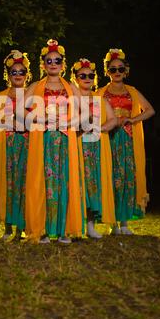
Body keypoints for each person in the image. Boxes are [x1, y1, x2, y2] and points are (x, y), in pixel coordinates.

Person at [24, 39, 85, 244]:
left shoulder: (71, 87)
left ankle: (62, 230)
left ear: (62, 64)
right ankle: (42, 230)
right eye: (48, 61)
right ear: (43, 64)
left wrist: (67, 122)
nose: (52, 63)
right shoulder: (35, 86)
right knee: (43, 180)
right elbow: (21, 111)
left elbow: (84, 111)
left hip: (64, 139)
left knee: (63, 181)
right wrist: (41, 119)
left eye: (57, 60)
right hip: (43, 138)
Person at [97, 48, 155, 234]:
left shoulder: (132, 91)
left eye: (120, 69)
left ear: (126, 70)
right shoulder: (100, 92)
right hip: (108, 139)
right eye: (112, 69)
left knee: (127, 178)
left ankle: (124, 223)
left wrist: (132, 119)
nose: (117, 73)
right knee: (111, 177)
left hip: (127, 139)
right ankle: (113, 223)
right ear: (107, 71)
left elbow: (150, 110)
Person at [0, 50, 32, 241]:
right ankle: (7, 228)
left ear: (26, 75)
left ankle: (22, 228)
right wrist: (6, 122)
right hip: (7, 144)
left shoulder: (32, 94)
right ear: (8, 75)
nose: (18, 75)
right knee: (8, 183)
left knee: (24, 184)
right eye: (14, 72)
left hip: (28, 144)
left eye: (21, 72)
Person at [70, 58, 117, 238]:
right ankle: (75, 225)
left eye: (90, 75)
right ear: (75, 77)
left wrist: (100, 127)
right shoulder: (71, 98)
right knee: (77, 184)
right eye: (83, 75)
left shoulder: (99, 99)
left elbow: (113, 119)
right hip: (76, 146)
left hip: (95, 148)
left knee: (92, 185)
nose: (87, 78)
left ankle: (90, 226)